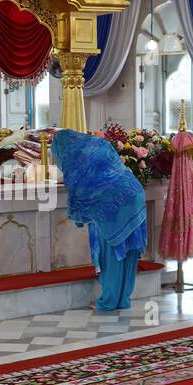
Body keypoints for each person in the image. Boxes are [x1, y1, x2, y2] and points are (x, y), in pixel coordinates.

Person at [51, 129, 147, 312]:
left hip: (111, 203)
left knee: (111, 253)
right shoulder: (97, 143)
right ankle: (123, 299)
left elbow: (77, 191)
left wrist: (79, 216)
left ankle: (108, 301)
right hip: (134, 192)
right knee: (128, 252)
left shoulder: (74, 161)